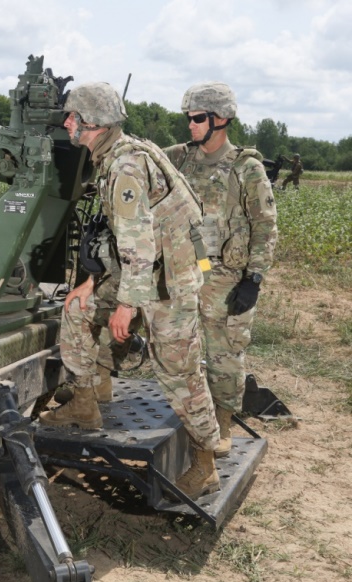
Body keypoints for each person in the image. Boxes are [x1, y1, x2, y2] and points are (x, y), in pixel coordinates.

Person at [40, 82, 220, 500]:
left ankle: (205, 462)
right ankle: (86, 401)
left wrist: (125, 306)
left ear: (95, 124)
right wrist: (90, 281)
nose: (67, 122)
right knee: (78, 308)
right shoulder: (112, 154)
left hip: (168, 281)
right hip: (144, 270)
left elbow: (138, 246)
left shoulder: (125, 168)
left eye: (73, 116)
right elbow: (117, 237)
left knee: (179, 373)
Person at [165, 82, 278, 458]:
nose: (190, 125)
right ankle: (195, 414)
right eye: (189, 118)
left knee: (224, 355)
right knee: (179, 347)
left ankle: (223, 422)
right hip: (186, 272)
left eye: (197, 118)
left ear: (221, 120)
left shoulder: (247, 168)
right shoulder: (182, 158)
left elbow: (265, 225)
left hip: (226, 278)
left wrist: (254, 278)